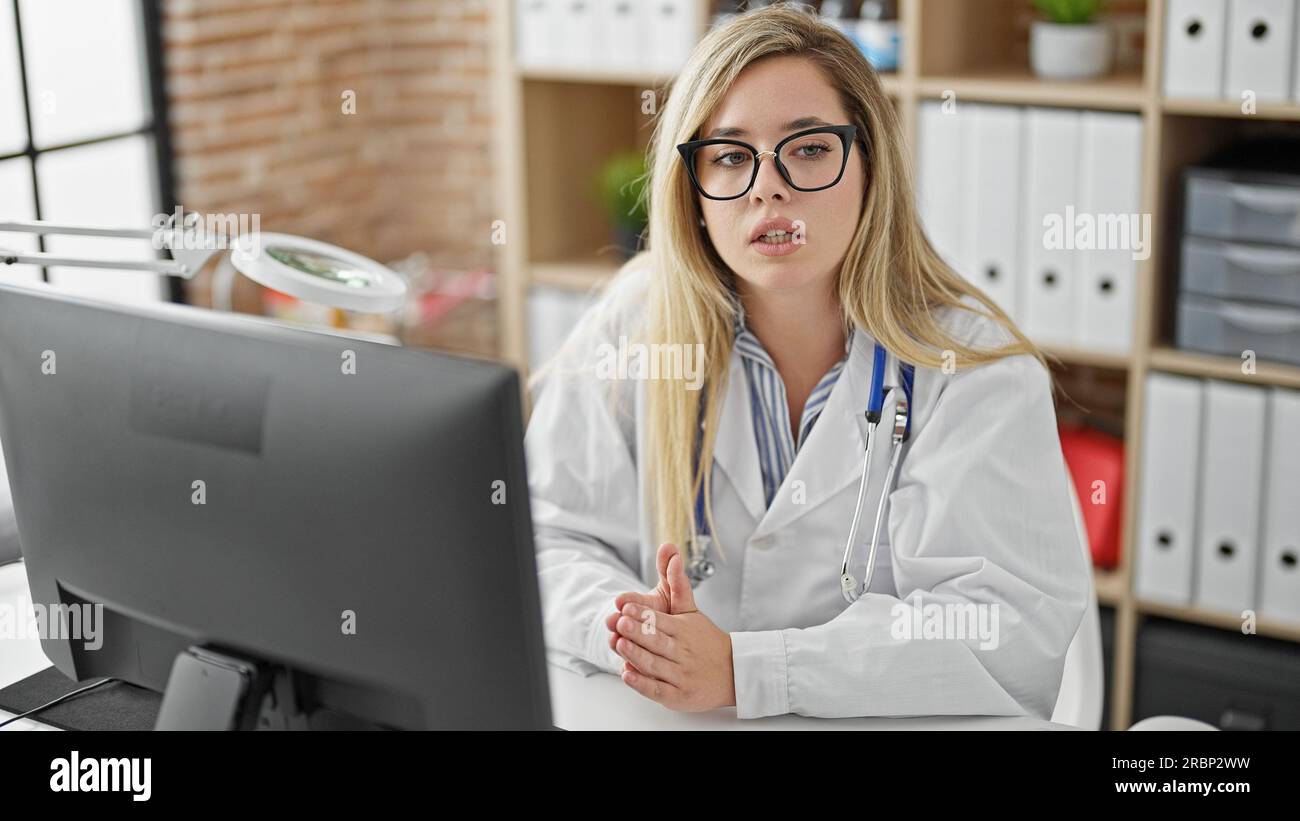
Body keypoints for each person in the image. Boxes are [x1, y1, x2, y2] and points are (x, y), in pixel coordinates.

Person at [524, 4, 1090, 720]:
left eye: (810, 148)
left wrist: (750, 669)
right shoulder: (634, 324)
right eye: (730, 156)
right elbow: (546, 537)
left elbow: (1003, 626)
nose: (768, 186)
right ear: (693, 192)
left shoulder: (975, 370)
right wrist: (643, 637)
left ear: (870, 165)